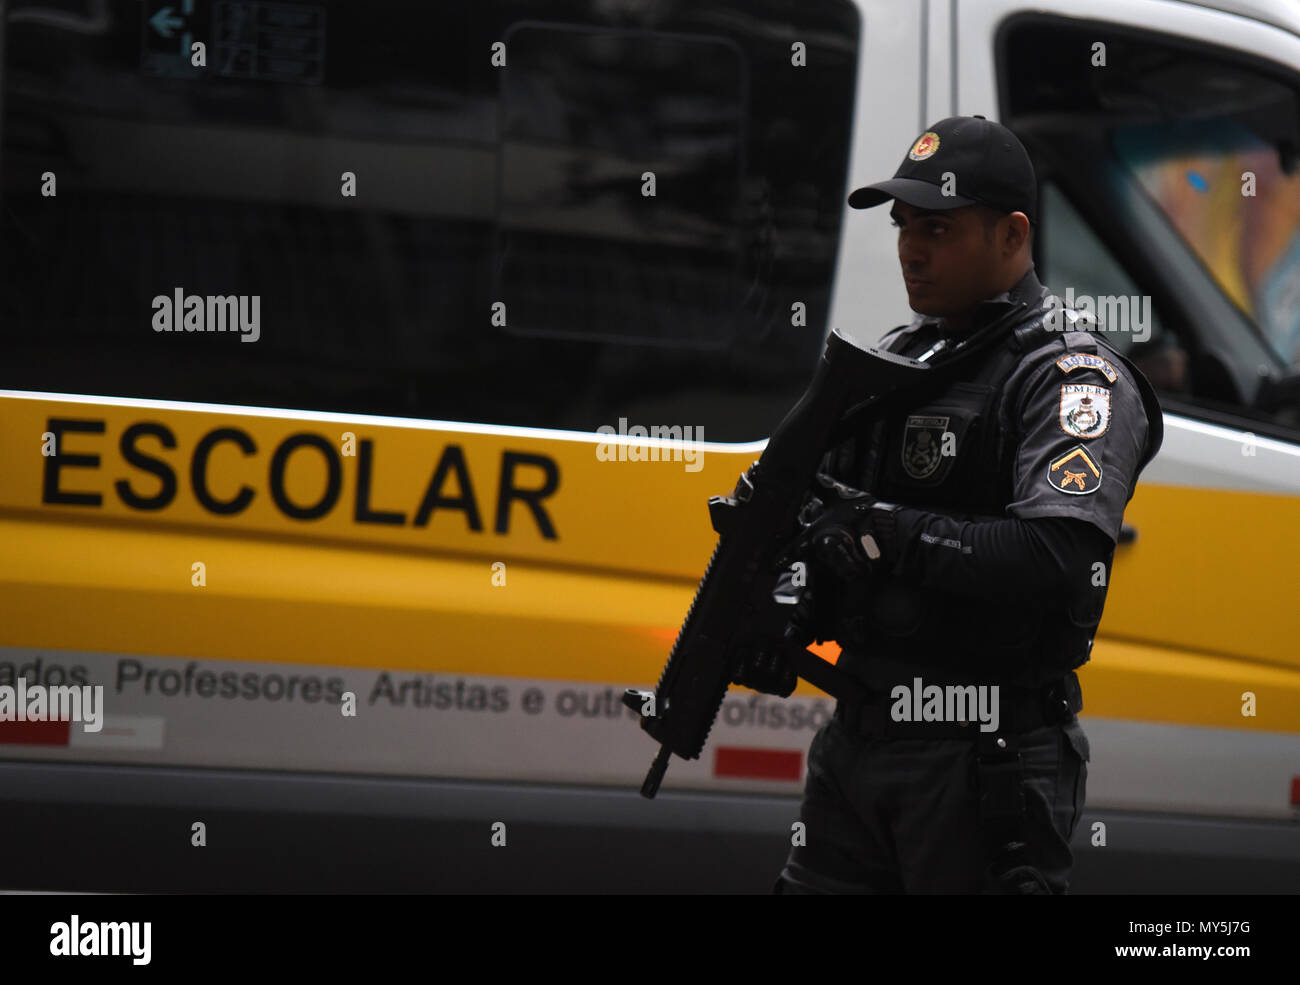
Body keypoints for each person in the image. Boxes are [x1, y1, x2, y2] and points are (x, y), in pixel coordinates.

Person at [770, 116, 1163, 894]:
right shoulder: (898, 360)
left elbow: (1054, 556)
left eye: (938, 228)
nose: (912, 249)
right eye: (904, 227)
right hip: (859, 743)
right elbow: (823, 514)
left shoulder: (1069, 375)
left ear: (1012, 234)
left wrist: (880, 533)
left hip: (984, 754)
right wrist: (798, 590)